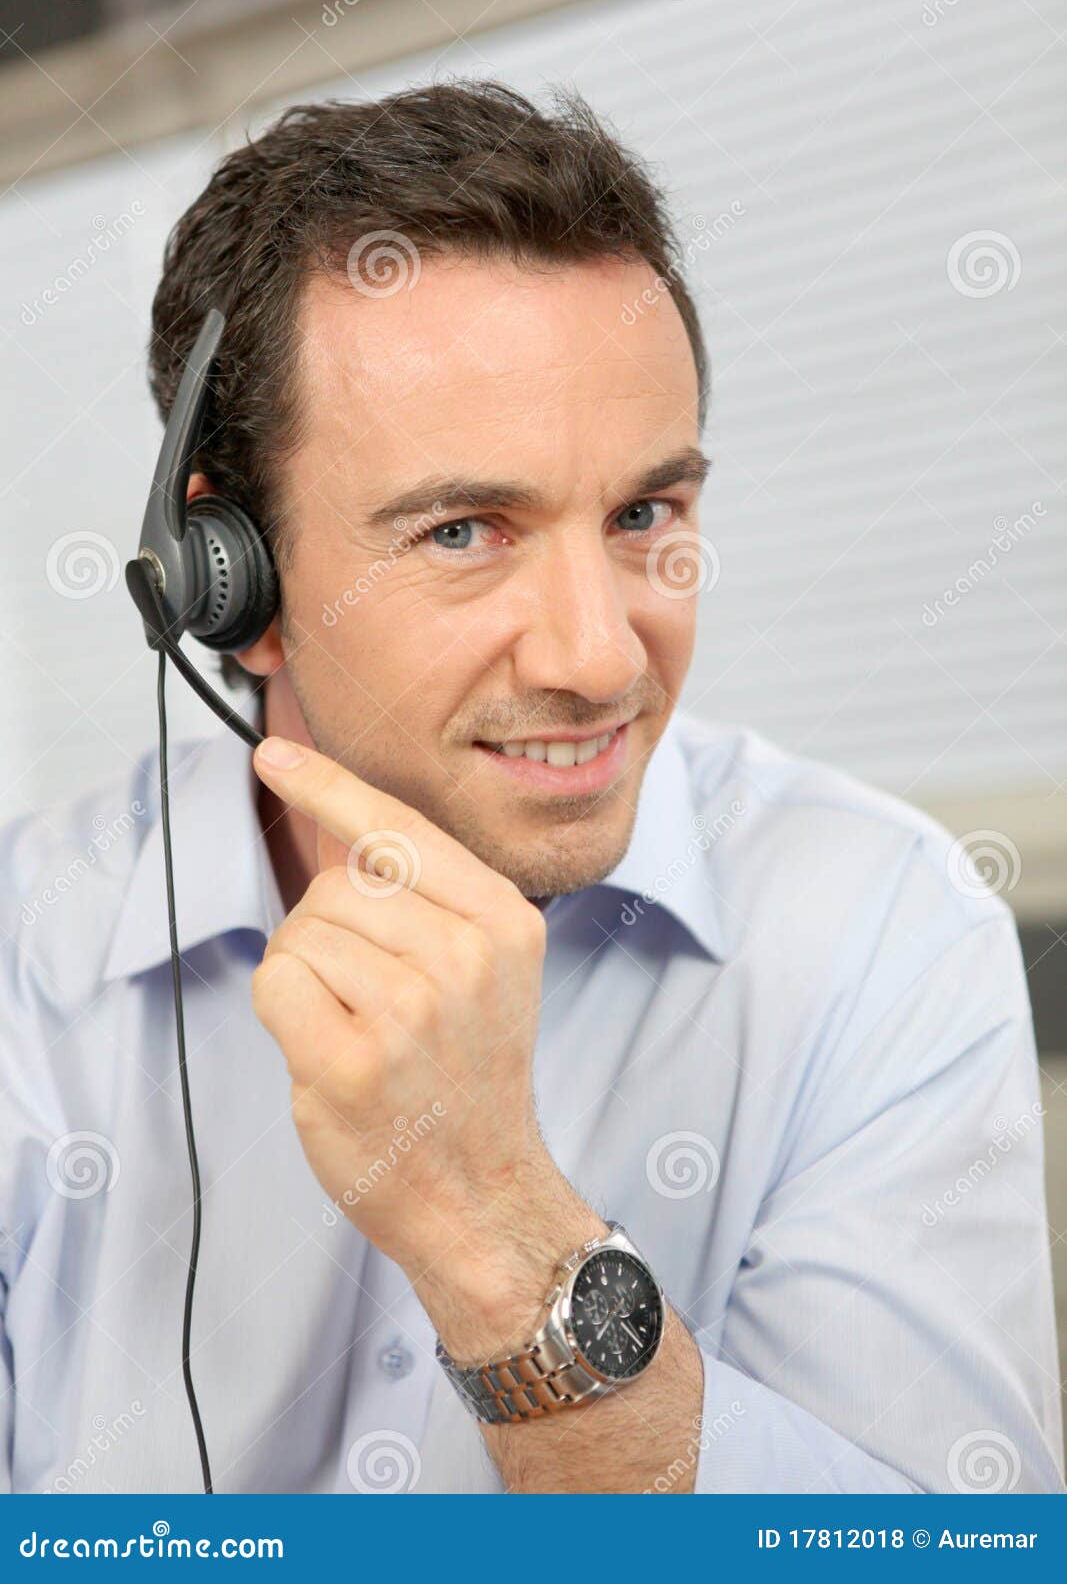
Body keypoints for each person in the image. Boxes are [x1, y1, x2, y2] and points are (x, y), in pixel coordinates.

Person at [1, 81, 1062, 1495]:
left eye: (644, 513)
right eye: (463, 530)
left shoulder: (889, 932)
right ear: (230, 581)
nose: (600, 651)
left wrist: (501, 1230)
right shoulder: (28, 956)